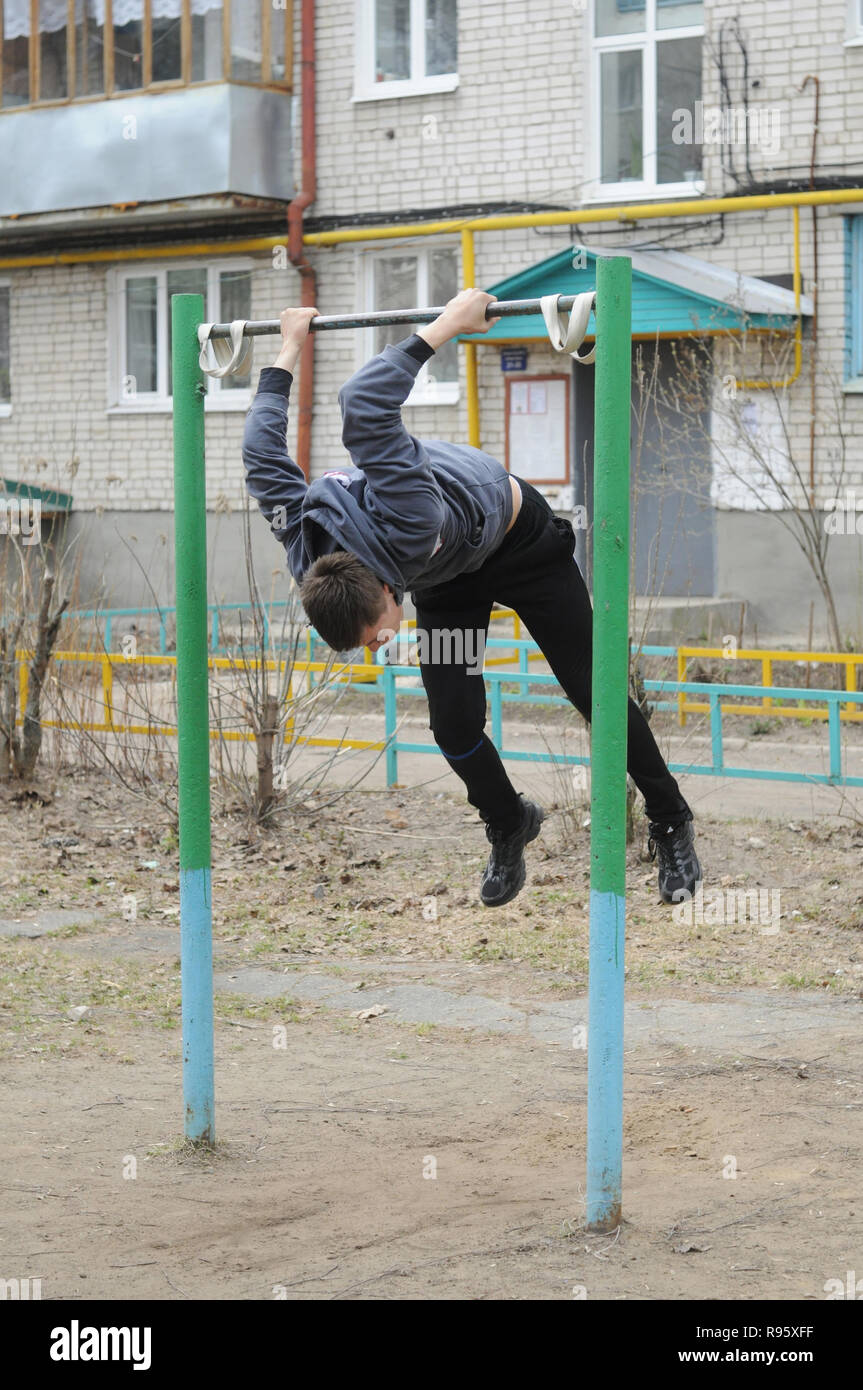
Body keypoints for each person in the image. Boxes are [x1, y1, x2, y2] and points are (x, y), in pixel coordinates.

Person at [243, 289, 701, 907]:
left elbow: (364, 403)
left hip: (521, 545)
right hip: (446, 580)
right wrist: (289, 344)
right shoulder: (302, 540)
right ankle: (510, 821)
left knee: (592, 689)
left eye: (378, 632)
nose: (383, 645)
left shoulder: (408, 519)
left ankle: (670, 817)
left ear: (382, 588)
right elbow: (261, 453)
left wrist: (448, 325)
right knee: (452, 722)